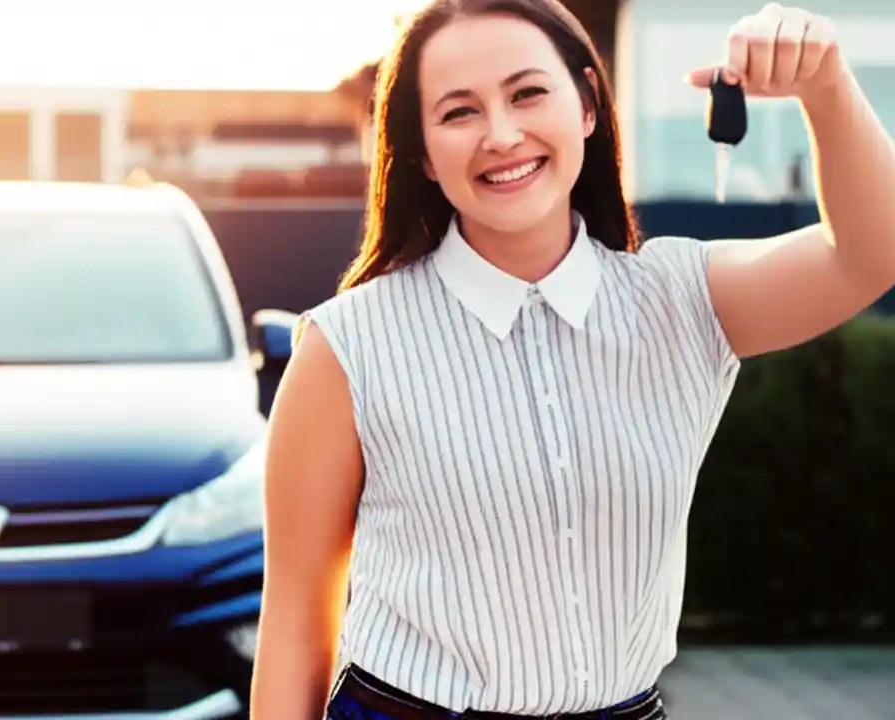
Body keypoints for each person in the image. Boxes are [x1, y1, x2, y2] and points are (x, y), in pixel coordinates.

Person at [250, 1, 895, 718]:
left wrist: (827, 85)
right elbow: (295, 623)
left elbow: (871, 255)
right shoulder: (347, 345)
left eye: (528, 93)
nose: (502, 134)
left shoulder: (682, 299)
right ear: (424, 153)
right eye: (459, 112)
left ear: (586, 103)